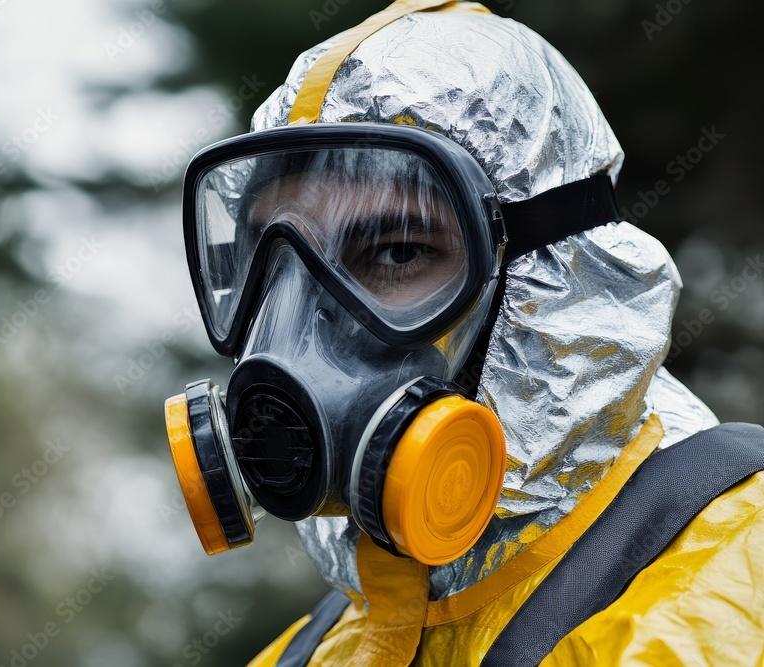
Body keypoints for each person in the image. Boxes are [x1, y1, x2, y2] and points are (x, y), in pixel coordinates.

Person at [162, 1, 764, 665]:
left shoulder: (735, 585)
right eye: (272, 266)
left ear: (548, 284)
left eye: (395, 252)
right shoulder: (312, 653)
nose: (299, 328)